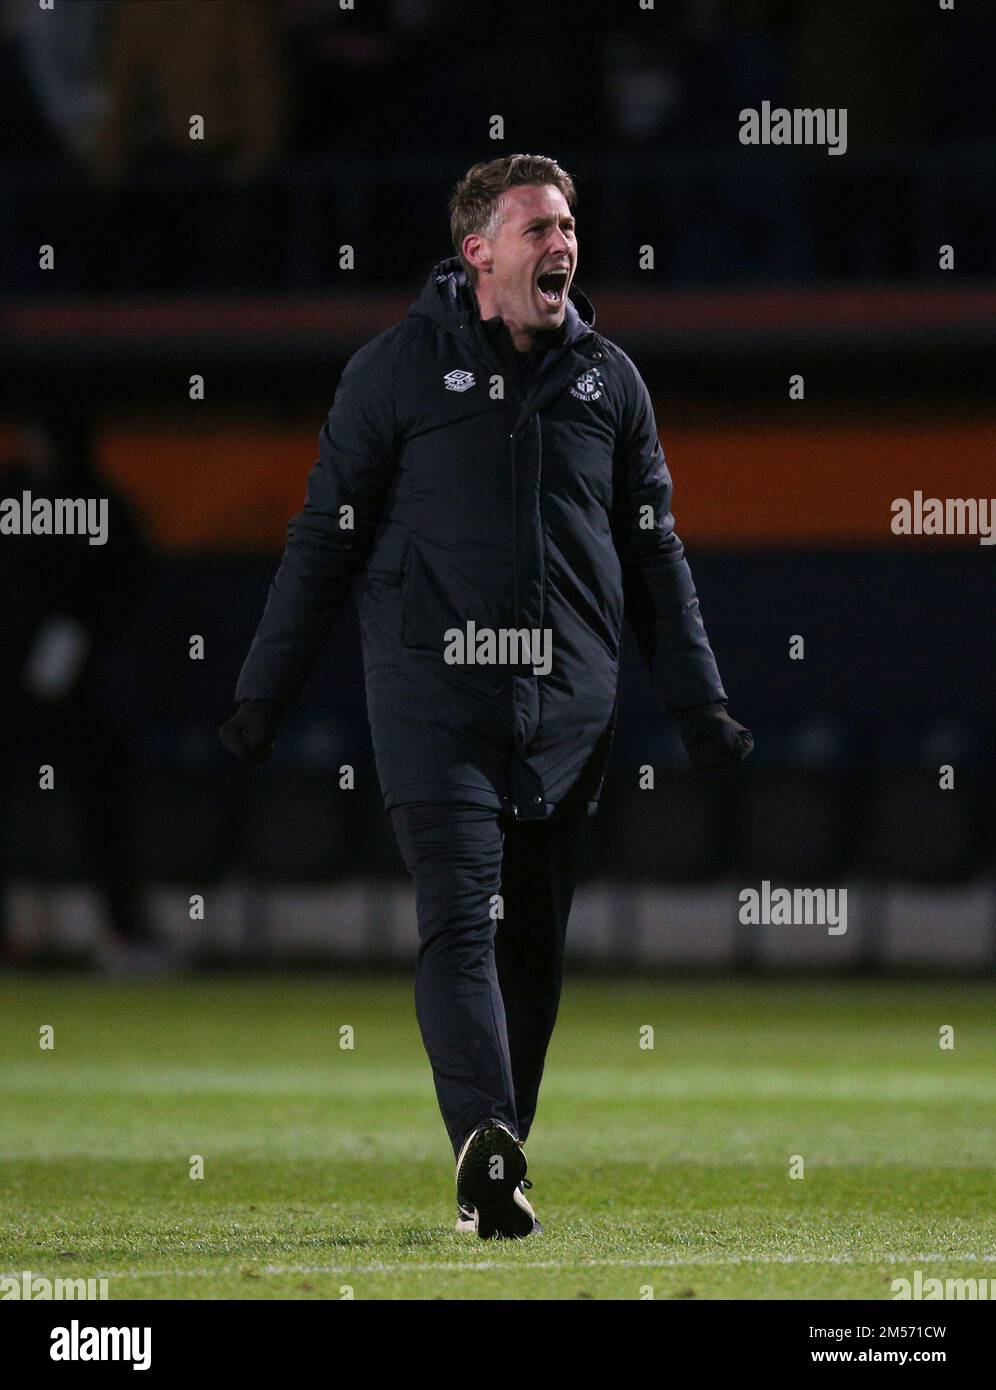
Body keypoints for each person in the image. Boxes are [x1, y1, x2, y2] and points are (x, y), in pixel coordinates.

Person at [220, 154, 753, 1238]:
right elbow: (323, 544)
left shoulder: (613, 384)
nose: (562, 243)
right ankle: (486, 1154)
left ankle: (496, 1152)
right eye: (538, 227)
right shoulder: (392, 374)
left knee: (533, 952)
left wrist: (698, 700)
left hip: (568, 713)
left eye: (568, 224)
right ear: (478, 253)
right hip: (434, 702)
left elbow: (656, 557)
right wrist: (262, 692)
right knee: (458, 926)